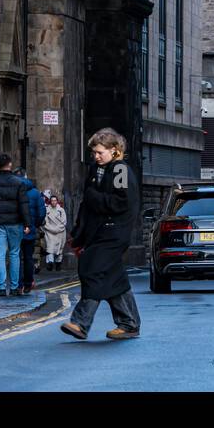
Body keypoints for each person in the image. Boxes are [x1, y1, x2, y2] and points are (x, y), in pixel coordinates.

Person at [60, 128, 141, 341]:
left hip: (114, 232)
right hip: (100, 232)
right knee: (113, 278)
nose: (95, 156)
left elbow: (120, 202)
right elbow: (87, 206)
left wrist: (94, 196)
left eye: (99, 152)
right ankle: (129, 323)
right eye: (93, 152)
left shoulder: (120, 170)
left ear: (114, 151)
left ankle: (80, 322)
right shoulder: (97, 170)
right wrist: (78, 233)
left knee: (92, 270)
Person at [0, 153, 31, 296]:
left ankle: (1, 288)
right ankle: (14, 287)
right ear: (10, 165)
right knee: (15, 254)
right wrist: (27, 223)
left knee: (0, 254)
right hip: (15, 223)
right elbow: (23, 205)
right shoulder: (19, 183)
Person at [15, 167, 46, 295]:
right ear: (26, 176)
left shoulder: (13, 191)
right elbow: (41, 212)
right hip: (30, 229)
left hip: (16, 229)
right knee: (28, 257)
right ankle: (28, 283)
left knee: (16, 257)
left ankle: (18, 284)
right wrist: (35, 225)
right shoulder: (35, 192)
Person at [43, 194, 68, 270]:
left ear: (57, 201)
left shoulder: (61, 210)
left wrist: (57, 229)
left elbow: (64, 222)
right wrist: (52, 229)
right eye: (52, 200)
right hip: (50, 232)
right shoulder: (47, 210)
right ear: (50, 201)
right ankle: (50, 263)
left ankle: (58, 264)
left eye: (55, 200)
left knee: (60, 248)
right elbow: (45, 222)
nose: (53, 202)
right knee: (50, 248)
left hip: (60, 232)